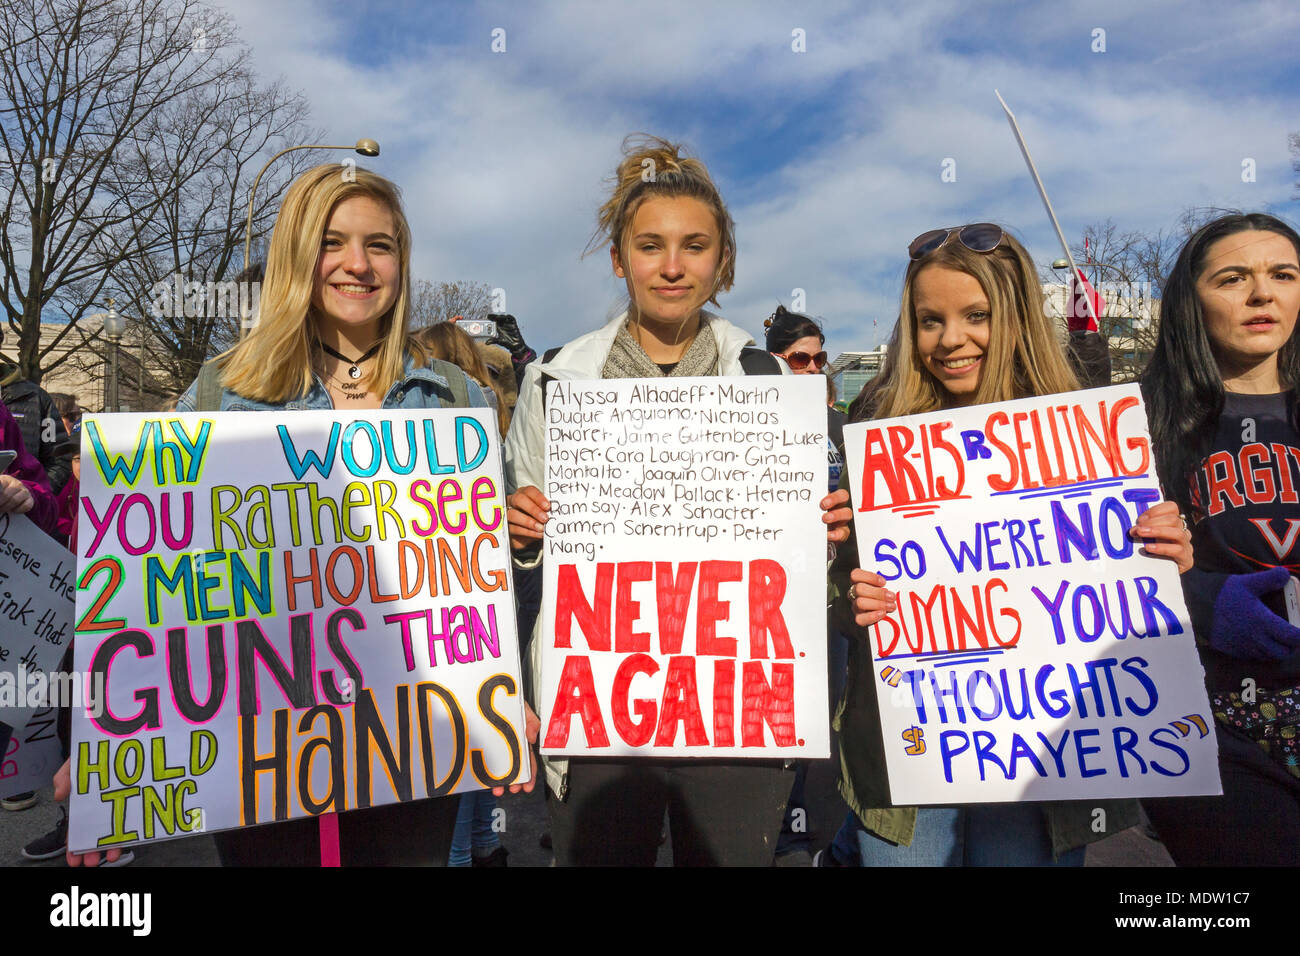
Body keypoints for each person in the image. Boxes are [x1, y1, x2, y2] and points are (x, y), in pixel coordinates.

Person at [504, 135, 851, 866]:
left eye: (693, 246)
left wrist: (826, 532)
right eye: (650, 245)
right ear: (617, 259)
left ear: (721, 261)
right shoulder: (555, 381)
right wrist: (521, 530)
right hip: (601, 706)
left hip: (736, 708)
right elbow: (516, 557)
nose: (671, 266)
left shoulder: (770, 383)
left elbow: (809, 557)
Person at [169, 164, 531, 865]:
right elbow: (162, 584)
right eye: (333, 242)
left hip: (415, 726)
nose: (358, 265)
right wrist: (103, 743)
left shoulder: (452, 396)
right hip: (260, 728)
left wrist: (505, 690)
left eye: (381, 245)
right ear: (298, 254)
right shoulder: (223, 390)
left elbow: (482, 581)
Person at [822, 222, 1190, 866]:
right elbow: (841, 599)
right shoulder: (879, 428)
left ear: (1017, 316)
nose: (951, 339)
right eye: (929, 320)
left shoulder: (1086, 433)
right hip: (905, 750)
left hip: (1044, 751)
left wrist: (1163, 555)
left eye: (977, 315)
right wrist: (850, 594)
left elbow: (1124, 595)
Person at [1139, 213, 1300, 866]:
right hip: (1214, 732)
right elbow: (1088, 583)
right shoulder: (1141, 428)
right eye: (1234, 278)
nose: (1262, 294)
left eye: (1282, 275)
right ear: (1189, 303)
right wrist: (1203, 598)